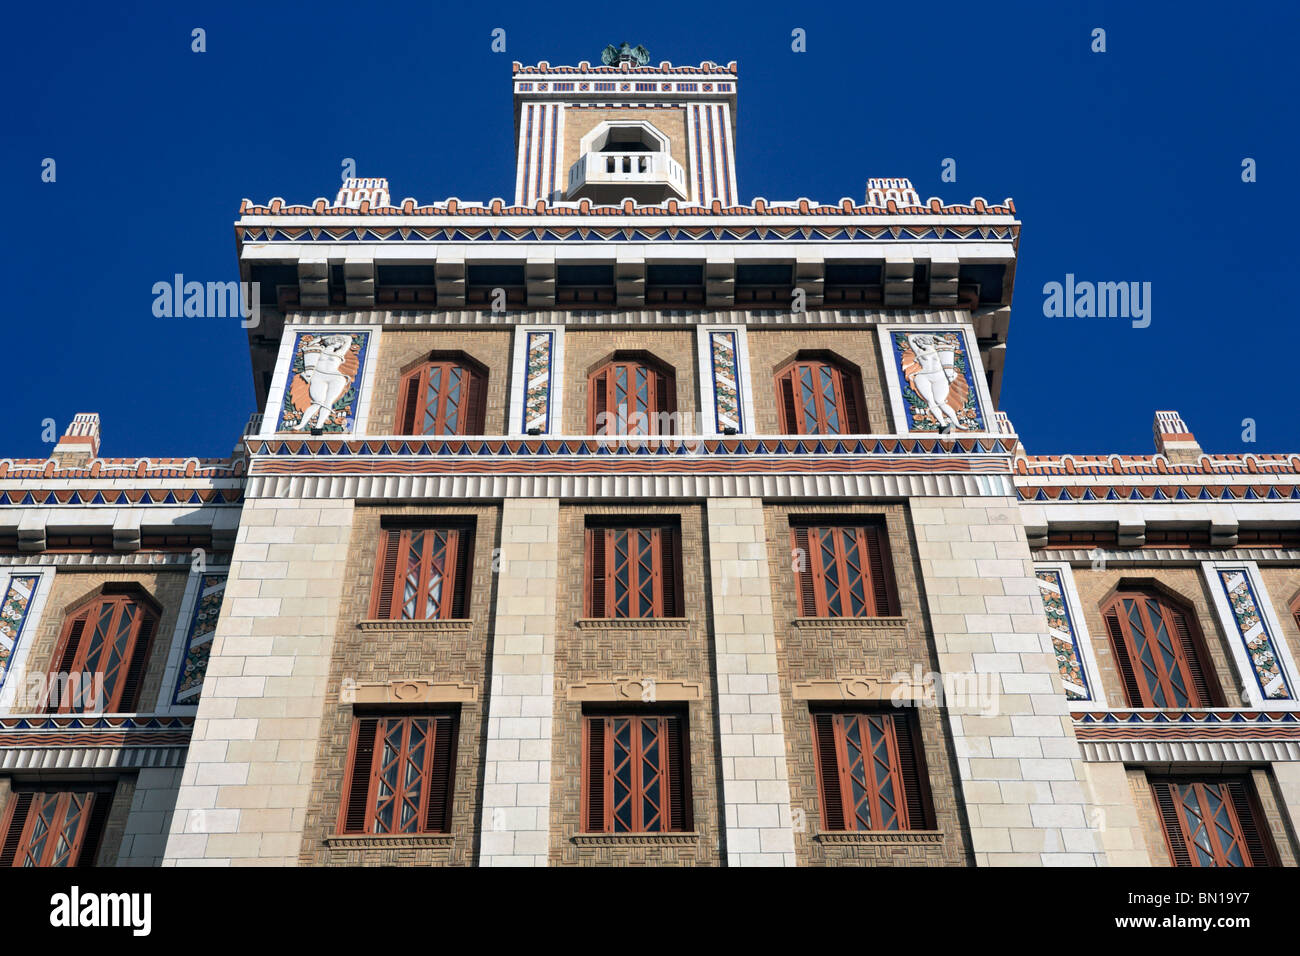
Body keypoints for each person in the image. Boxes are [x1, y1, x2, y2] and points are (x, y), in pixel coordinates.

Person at [906, 334, 966, 433]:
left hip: (939, 376)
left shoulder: (940, 350)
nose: (919, 343)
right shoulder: (918, 351)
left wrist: (938, 338)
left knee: (940, 401)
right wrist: (935, 337)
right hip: (923, 376)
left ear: (929, 341)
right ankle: (942, 425)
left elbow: (948, 363)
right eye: (918, 342)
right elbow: (910, 337)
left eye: (922, 341)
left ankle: (957, 423)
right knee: (931, 402)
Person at [292, 334, 352, 430]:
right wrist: (322, 338)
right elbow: (310, 345)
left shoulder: (340, 353)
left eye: (341, 343)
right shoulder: (318, 350)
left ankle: (319, 426)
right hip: (318, 376)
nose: (341, 344)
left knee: (328, 402)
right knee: (317, 402)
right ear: (333, 341)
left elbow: (349, 339)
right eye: (339, 342)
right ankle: (301, 424)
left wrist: (330, 337)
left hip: (335, 377)